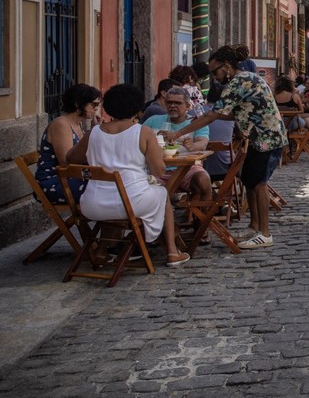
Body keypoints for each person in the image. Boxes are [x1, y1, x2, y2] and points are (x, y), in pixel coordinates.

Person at [169, 44, 287, 250]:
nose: (215, 77)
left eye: (216, 71)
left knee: (258, 183)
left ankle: (265, 233)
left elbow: (213, 114)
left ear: (227, 66)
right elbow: (235, 112)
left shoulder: (238, 82)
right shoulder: (246, 79)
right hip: (260, 137)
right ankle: (254, 227)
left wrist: (179, 132)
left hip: (266, 138)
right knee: (250, 181)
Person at [66, 83, 190, 267]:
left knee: (116, 194)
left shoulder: (94, 132)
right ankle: (172, 251)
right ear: (136, 107)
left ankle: (101, 251)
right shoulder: (143, 132)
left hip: (93, 204)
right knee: (163, 194)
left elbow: (71, 158)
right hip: (131, 203)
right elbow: (159, 170)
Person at [35, 83, 101, 205]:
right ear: (77, 104)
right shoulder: (61, 124)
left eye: (97, 105)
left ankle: (108, 222)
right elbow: (66, 162)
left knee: (110, 184)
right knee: (106, 188)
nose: (96, 109)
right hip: (54, 181)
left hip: (70, 178)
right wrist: (92, 134)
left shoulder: (78, 124)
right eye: (93, 105)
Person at [144, 87, 213, 203]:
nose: (172, 106)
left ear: (187, 105)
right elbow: (138, 139)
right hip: (157, 169)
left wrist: (192, 145)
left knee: (203, 180)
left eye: (177, 103)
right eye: (169, 102)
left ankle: (204, 218)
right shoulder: (153, 121)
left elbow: (202, 143)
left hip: (188, 169)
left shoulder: (196, 122)